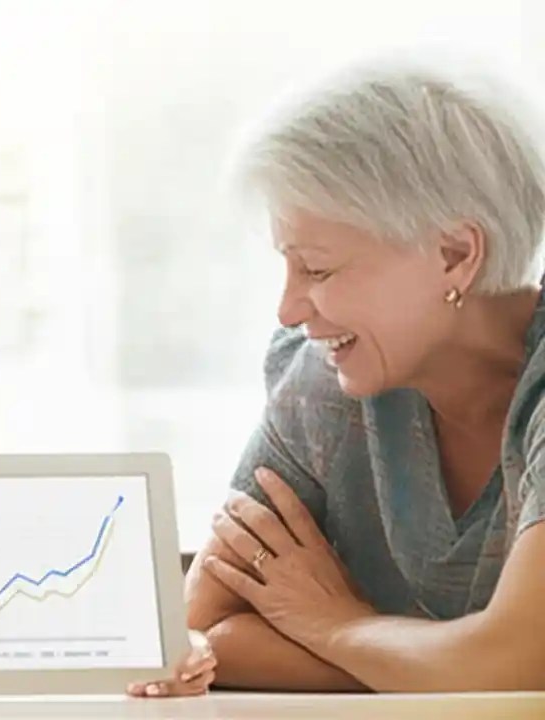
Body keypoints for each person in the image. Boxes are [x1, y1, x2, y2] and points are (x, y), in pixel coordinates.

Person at [185, 58, 545, 692]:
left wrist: (339, 628)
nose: (289, 309)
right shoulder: (329, 378)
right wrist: (428, 662)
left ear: (455, 255)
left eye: (318, 270)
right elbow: (205, 630)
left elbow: (517, 660)